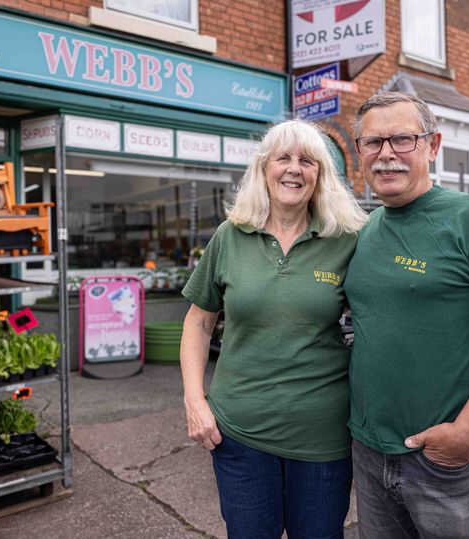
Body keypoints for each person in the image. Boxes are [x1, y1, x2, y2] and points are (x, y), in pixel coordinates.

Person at [345, 92, 469, 538]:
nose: (386, 155)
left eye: (402, 139)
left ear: (432, 146)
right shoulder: (366, 230)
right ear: (358, 151)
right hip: (371, 452)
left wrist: (467, 435)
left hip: (450, 465)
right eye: (372, 143)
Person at [180, 119, 367, 539]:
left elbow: (382, 315)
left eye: (307, 161)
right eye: (283, 158)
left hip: (322, 437)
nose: (294, 169)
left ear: (321, 175)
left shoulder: (347, 239)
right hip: (240, 434)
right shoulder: (230, 236)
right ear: (264, 169)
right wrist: (194, 399)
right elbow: (198, 321)